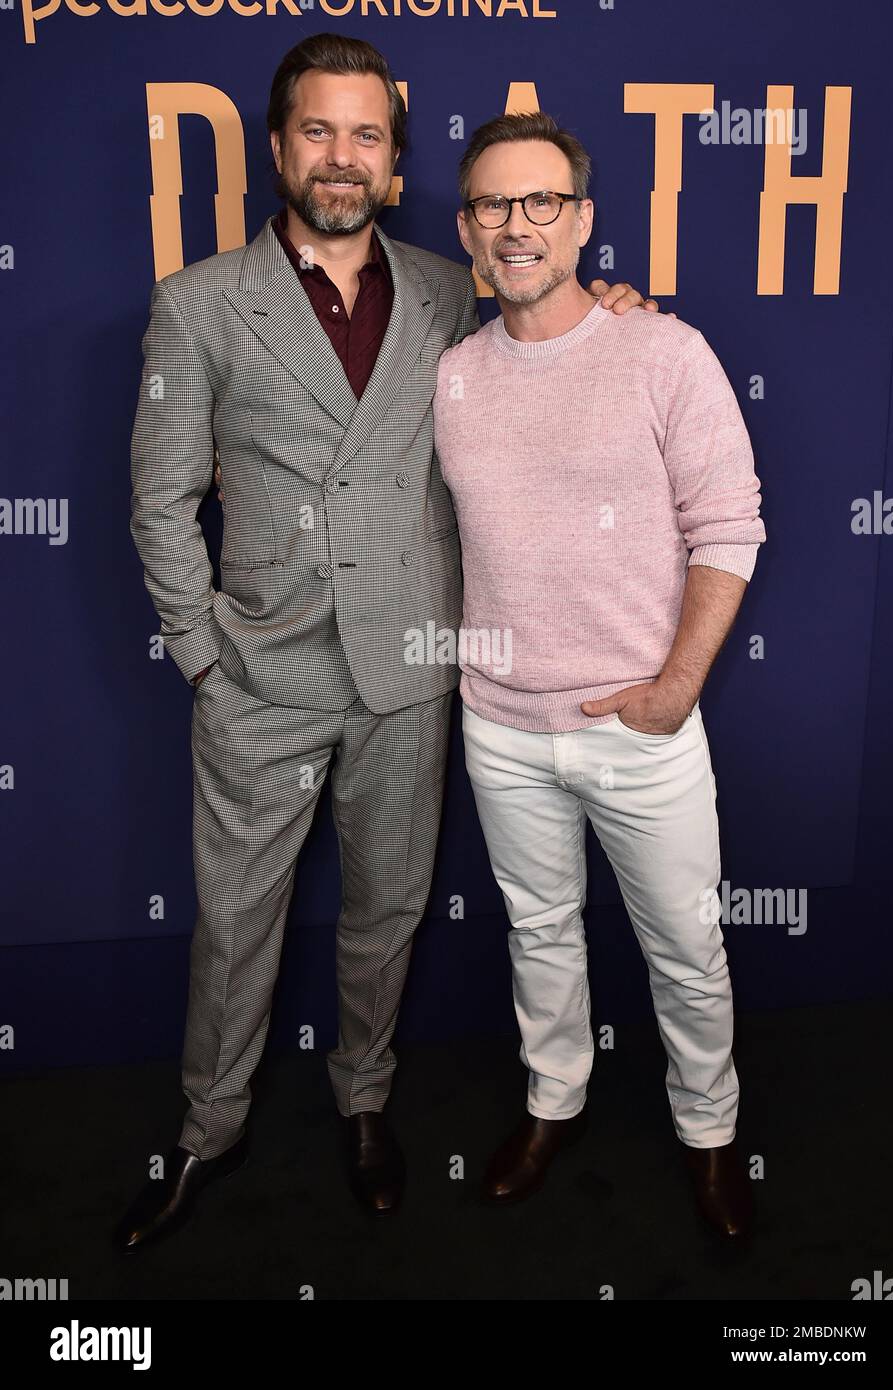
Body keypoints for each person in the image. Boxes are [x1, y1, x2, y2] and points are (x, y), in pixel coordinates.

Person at [118, 35, 654, 1252]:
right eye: (319, 130)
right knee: (235, 927)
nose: (342, 156)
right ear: (277, 145)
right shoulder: (199, 304)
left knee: (387, 914)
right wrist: (204, 654)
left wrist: (615, 307)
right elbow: (158, 500)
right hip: (259, 677)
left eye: (367, 134)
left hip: (412, 675)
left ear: (396, 162)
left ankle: (363, 1101)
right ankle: (209, 1130)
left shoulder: (450, 288)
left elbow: (554, 328)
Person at [433, 111, 766, 1238]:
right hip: (499, 726)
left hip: (641, 727)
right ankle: (553, 1101)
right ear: (467, 227)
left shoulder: (664, 352)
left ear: (582, 220)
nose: (515, 226)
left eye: (540, 203)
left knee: (685, 944)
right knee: (540, 932)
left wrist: (673, 689)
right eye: (492, 205)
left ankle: (710, 1131)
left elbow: (728, 526)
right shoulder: (453, 376)